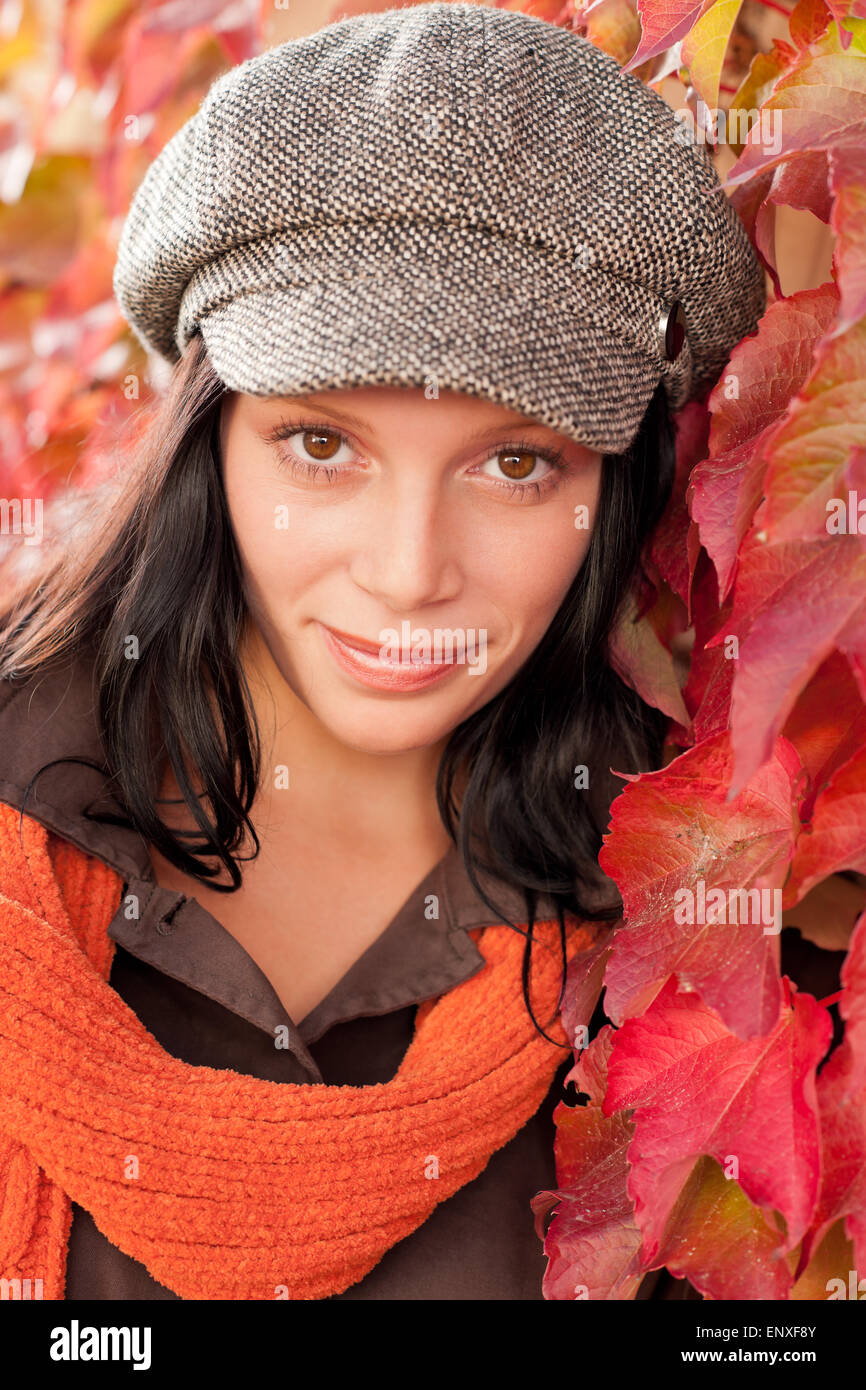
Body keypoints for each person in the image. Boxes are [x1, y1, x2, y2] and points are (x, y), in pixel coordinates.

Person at [0, 2, 765, 1301]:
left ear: (612, 491)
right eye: (321, 445)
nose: (410, 570)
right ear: (208, 445)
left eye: (516, 463)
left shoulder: (698, 927)